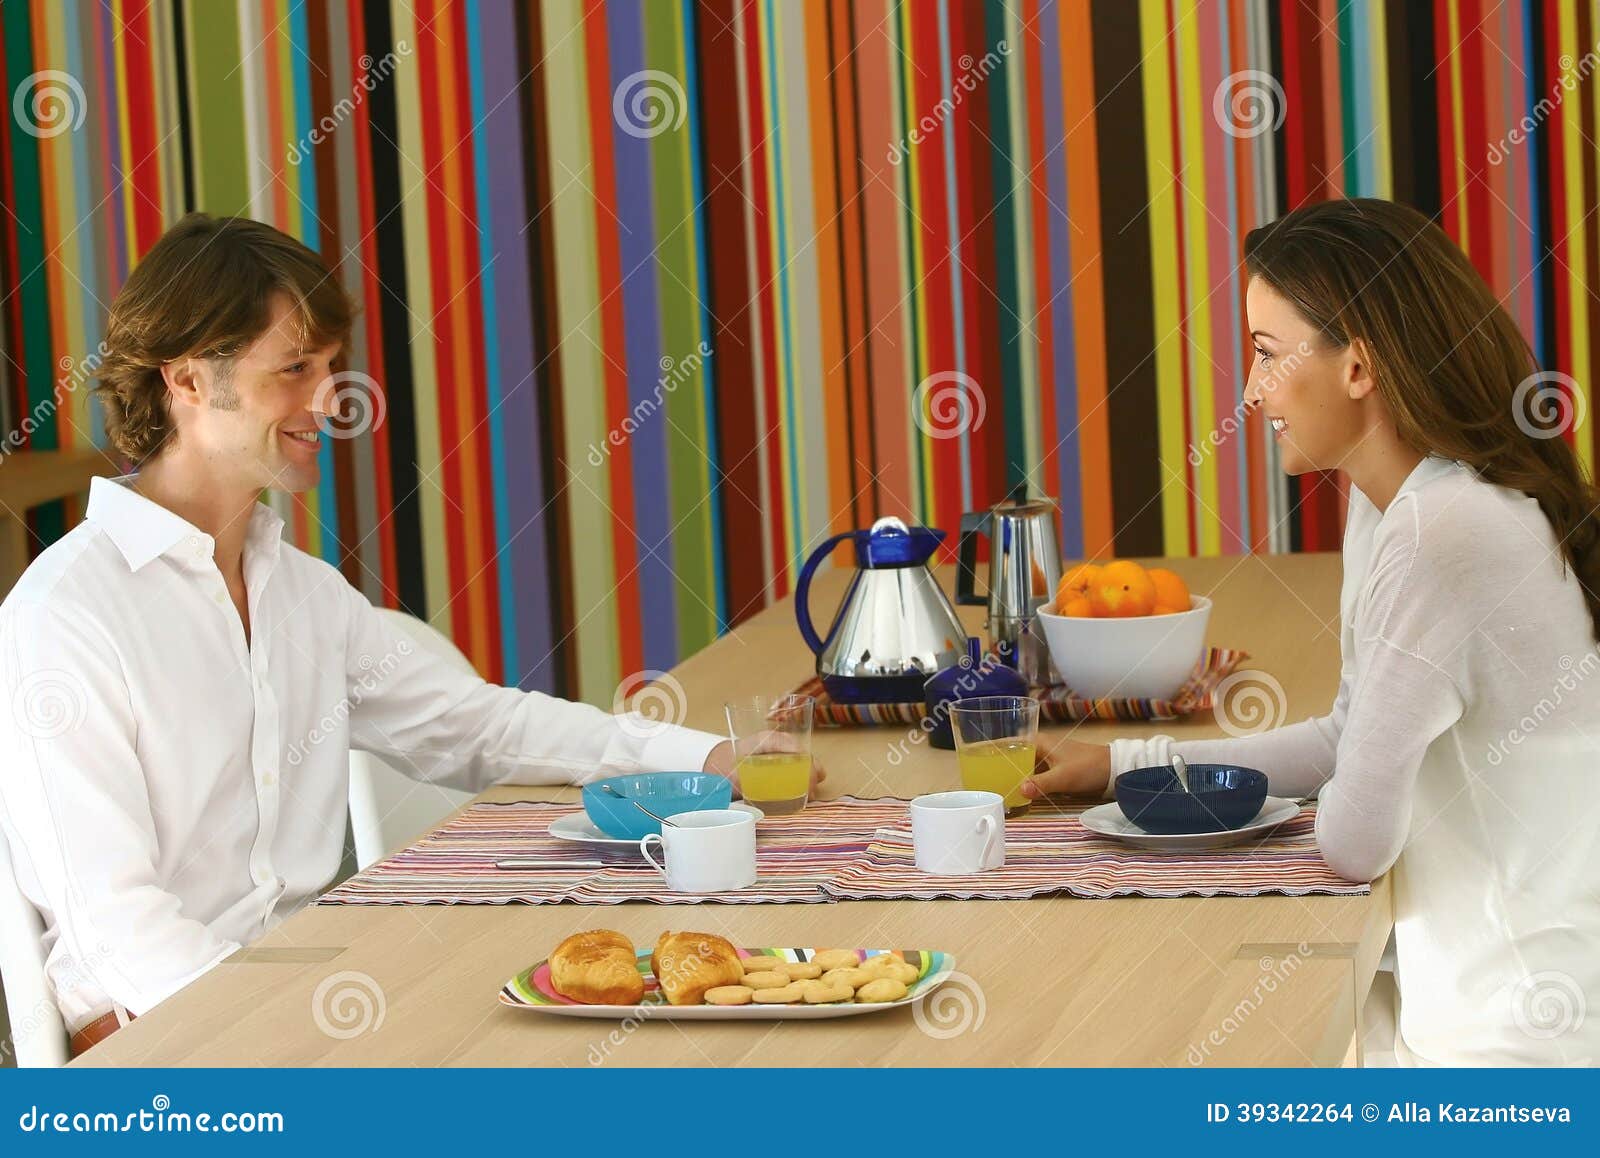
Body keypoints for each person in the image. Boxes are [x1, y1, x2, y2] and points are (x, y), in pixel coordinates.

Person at [0, 213, 817, 1057]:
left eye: (330, 367)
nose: (330, 399)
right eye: (295, 369)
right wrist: (300, 1049)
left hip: (312, 1001)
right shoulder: (65, 616)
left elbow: (474, 726)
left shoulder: (303, 594)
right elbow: (118, 930)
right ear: (190, 381)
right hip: (166, 1052)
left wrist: (700, 759)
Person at [1026, 197, 1599, 1067]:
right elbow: (1347, 739)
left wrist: (1350, 790)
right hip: (1456, 1011)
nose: (1251, 392)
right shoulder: (1402, 509)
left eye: (1266, 354)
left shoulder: (1440, 534)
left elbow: (1354, 840)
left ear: (1358, 366)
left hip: (1518, 1054)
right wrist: (1124, 767)